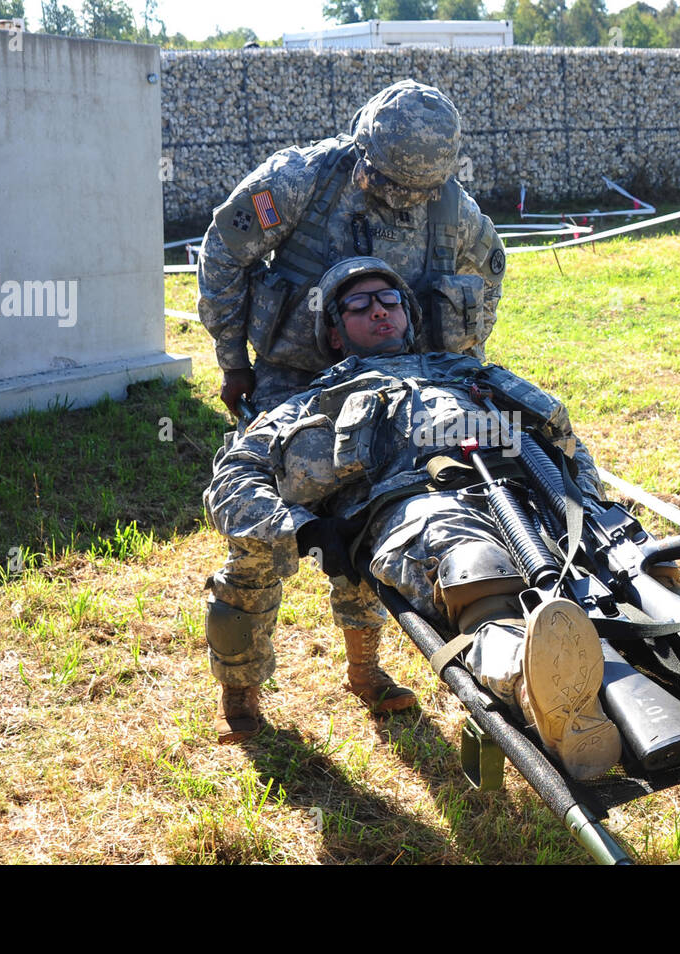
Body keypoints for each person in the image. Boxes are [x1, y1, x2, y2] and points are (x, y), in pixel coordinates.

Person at [203, 257, 622, 780]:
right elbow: (234, 478)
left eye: (389, 300)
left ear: (408, 314)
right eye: (357, 306)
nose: (378, 311)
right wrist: (304, 529)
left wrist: (590, 503)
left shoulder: (473, 373)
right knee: (475, 569)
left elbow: (564, 437)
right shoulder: (319, 397)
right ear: (334, 334)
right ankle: (529, 678)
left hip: (526, 492)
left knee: (619, 571)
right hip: (421, 507)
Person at [197, 79, 508, 720]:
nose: (405, 203)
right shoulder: (300, 181)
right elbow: (224, 254)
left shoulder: (452, 207)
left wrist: (450, 359)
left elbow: (489, 270)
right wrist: (233, 361)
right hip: (293, 378)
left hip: (388, 378)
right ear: (363, 152)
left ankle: (364, 668)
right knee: (257, 536)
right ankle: (241, 691)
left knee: (379, 510)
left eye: (418, 193)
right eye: (391, 184)